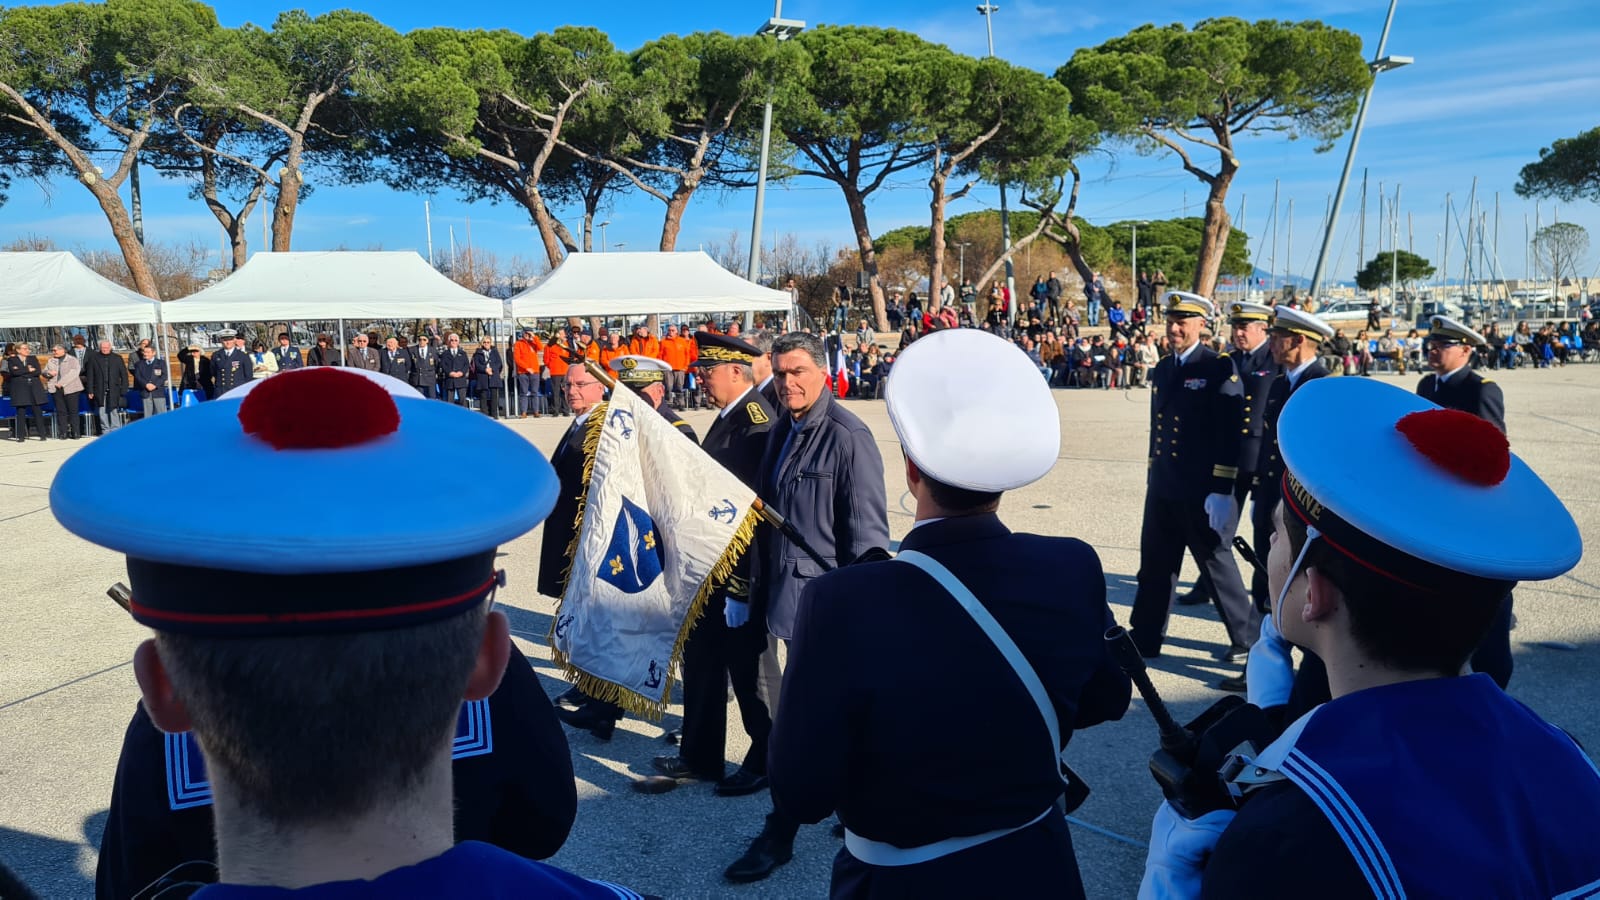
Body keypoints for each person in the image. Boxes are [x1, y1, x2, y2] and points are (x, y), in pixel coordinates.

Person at [50, 367, 640, 897]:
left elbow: (130, 874)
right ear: (488, 656)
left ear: (162, 688)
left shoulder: (165, 718)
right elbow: (544, 820)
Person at [1143, 376, 1598, 899]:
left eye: (1274, 537)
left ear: (1312, 593)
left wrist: (1171, 883)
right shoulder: (1569, 758)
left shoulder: (1286, 839)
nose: (1269, 549)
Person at [770, 329, 1131, 898]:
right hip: (1038, 862)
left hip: (900, 880)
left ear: (912, 472)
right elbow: (1107, 700)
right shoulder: (1071, 565)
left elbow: (800, 792)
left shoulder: (839, 601)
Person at [723, 331, 890, 884]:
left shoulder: (848, 437)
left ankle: (781, 833)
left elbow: (868, 539)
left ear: (823, 373)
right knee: (842, 720)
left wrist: (857, 617)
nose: (787, 382)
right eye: (779, 372)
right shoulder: (783, 428)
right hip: (780, 593)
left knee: (801, 723)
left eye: (797, 371)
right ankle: (861, 802)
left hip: (822, 606)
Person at [647, 333, 776, 797]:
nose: (701, 377)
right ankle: (699, 757)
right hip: (710, 569)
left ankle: (767, 759)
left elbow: (750, 515)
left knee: (751, 674)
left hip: (738, 573)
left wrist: (741, 589)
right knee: (701, 663)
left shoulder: (755, 424)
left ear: (736, 372)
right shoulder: (730, 418)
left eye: (708, 370)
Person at [1127, 292, 1257, 661]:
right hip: (1166, 484)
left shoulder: (1218, 366)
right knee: (1155, 564)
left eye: (1183, 321)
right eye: (1171, 320)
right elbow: (1159, 429)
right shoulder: (1166, 367)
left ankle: (1247, 640)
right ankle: (1146, 636)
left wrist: (1221, 488)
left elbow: (1229, 433)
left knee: (1216, 564)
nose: (1175, 327)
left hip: (1199, 488)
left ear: (1202, 325)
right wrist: (1154, 473)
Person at [1416, 316, 1512, 688]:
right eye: (1431, 344)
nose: (1432, 350)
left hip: (1463, 504)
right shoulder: (1427, 385)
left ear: (1466, 350)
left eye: (1442, 345)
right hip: (1430, 503)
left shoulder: (1481, 390)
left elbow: (1493, 457)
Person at [539, 364, 627, 738]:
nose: (571, 390)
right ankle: (590, 688)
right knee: (583, 621)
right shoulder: (580, 422)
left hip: (587, 542)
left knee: (597, 623)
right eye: (567, 384)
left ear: (600, 388)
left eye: (580, 384)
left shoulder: (603, 425)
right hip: (567, 536)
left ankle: (604, 708)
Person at [86, 340, 131, 431]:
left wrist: (124, 389)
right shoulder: (93, 358)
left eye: (106, 348)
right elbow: (90, 376)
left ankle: (115, 429)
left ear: (110, 347)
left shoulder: (117, 358)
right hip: (99, 389)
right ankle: (105, 430)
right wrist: (90, 390)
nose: (105, 349)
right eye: (103, 348)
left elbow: (124, 375)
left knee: (113, 410)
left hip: (114, 389)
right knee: (102, 410)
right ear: (100, 348)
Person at [45, 344, 85, 439]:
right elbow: (44, 371)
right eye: (53, 350)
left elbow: (74, 373)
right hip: (56, 389)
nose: (54, 352)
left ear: (63, 350)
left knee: (73, 411)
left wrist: (61, 383)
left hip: (71, 389)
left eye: (55, 350)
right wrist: (48, 373)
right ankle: (63, 432)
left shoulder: (72, 360)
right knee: (61, 411)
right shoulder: (51, 360)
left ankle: (75, 432)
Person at [471, 337, 506, 419]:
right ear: (482, 343)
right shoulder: (477, 353)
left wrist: (492, 370)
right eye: (485, 342)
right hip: (483, 377)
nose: (486, 344)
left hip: (493, 376)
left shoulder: (494, 352)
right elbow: (477, 365)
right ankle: (484, 415)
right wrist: (485, 369)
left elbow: (499, 363)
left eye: (488, 342)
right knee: (483, 396)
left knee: (494, 396)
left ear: (491, 343)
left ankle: (494, 414)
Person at [132, 343, 169, 419]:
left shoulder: (161, 363)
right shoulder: (139, 364)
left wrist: (155, 385)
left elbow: (164, 376)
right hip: (146, 392)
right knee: (147, 416)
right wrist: (146, 385)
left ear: (153, 353)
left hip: (158, 392)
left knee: (161, 415)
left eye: (148, 352)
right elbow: (138, 376)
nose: (145, 354)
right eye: (144, 352)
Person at [513, 330, 545, 418]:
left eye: (529, 334)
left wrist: (534, 337)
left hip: (535, 372)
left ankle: (536, 411)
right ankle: (524, 412)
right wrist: (526, 367)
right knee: (523, 392)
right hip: (523, 372)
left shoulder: (533, 343)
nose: (527, 335)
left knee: (535, 392)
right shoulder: (518, 344)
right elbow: (517, 359)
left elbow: (541, 347)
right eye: (526, 333)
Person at [208, 333, 250, 398]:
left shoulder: (242, 355)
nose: (228, 342)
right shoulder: (216, 355)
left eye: (230, 340)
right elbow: (213, 372)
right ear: (221, 341)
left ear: (234, 340)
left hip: (237, 390)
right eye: (225, 340)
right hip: (221, 390)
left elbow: (248, 375)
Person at [439, 333, 472, 408]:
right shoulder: (445, 354)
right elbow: (443, 365)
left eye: (455, 340)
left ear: (458, 342)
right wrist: (450, 373)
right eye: (452, 340)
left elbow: (466, 364)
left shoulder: (462, 353)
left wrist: (462, 372)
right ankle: (450, 416)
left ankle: (464, 416)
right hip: (450, 379)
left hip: (461, 379)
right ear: (448, 342)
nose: (453, 342)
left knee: (462, 400)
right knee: (449, 401)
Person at [409, 334, 441, 399]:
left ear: (427, 341)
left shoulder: (433, 350)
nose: (422, 341)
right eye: (420, 340)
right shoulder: (412, 350)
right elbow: (409, 364)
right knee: (419, 399)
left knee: (432, 398)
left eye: (424, 340)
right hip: (418, 379)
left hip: (430, 378)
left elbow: (436, 363)